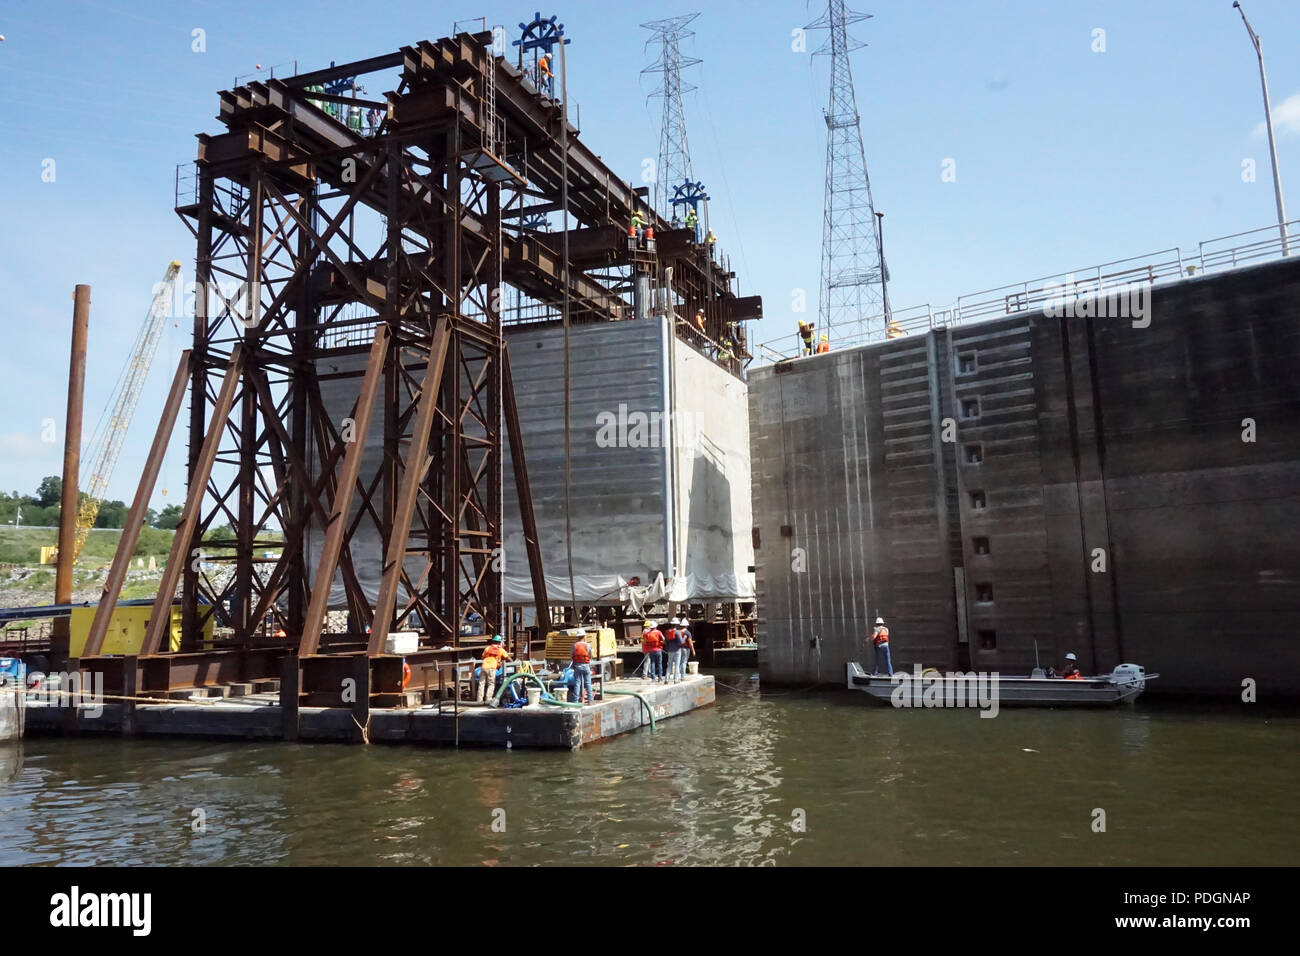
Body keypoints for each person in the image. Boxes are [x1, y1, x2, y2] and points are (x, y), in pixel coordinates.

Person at [478, 634, 512, 705]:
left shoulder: (487, 648)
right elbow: (507, 657)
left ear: (493, 641)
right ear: (499, 642)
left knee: (481, 683)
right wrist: (513, 662)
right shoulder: (501, 650)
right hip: (492, 667)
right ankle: (488, 700)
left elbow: (482, 657)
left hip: (484, 666)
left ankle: (479, 700)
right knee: (491, 684)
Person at [572, 633, 595, 704]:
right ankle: (590, 700)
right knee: (588, 683)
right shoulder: (588, 645)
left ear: (577, 637)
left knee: (577, 683)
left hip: (577, 666)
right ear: (584, 636)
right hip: (586, 666)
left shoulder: (574, 645)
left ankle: (575, 701)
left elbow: (572, 655)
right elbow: (591, 655)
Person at [663, 617, 687, 683]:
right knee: (677, 665)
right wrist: (684, 638)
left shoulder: (667, 632)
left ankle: (666, 679)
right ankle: (676, 680)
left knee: (669, 665)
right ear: (676, 624)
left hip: (670, 650)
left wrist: (667, 648)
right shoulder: (677, 632)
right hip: (677, 650)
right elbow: (681, 642)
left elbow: (666, 642)